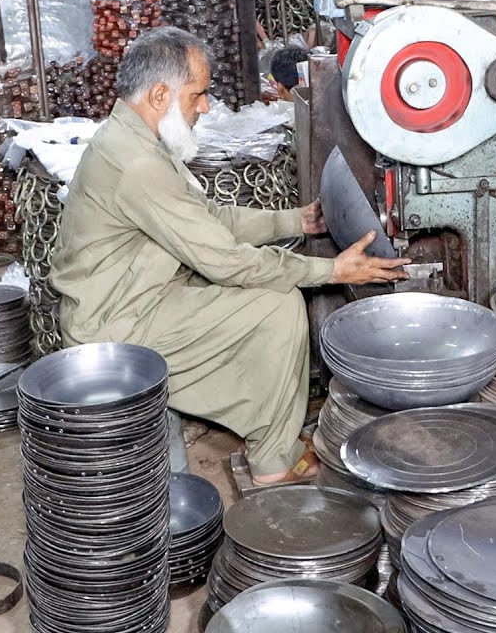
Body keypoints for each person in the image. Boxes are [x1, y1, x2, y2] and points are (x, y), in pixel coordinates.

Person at [50, 27, 408, 484]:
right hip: (115, 325)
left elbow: (208, 218)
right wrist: (330, 270)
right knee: (277, 306)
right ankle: (272, 462)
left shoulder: (133, 140)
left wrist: (293, 221)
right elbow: (225, 260)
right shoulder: (137, 165)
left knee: (260, 296)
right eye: (198, 95)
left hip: (135, 298)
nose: (204, 107)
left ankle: (267, 427)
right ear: (160, 94)